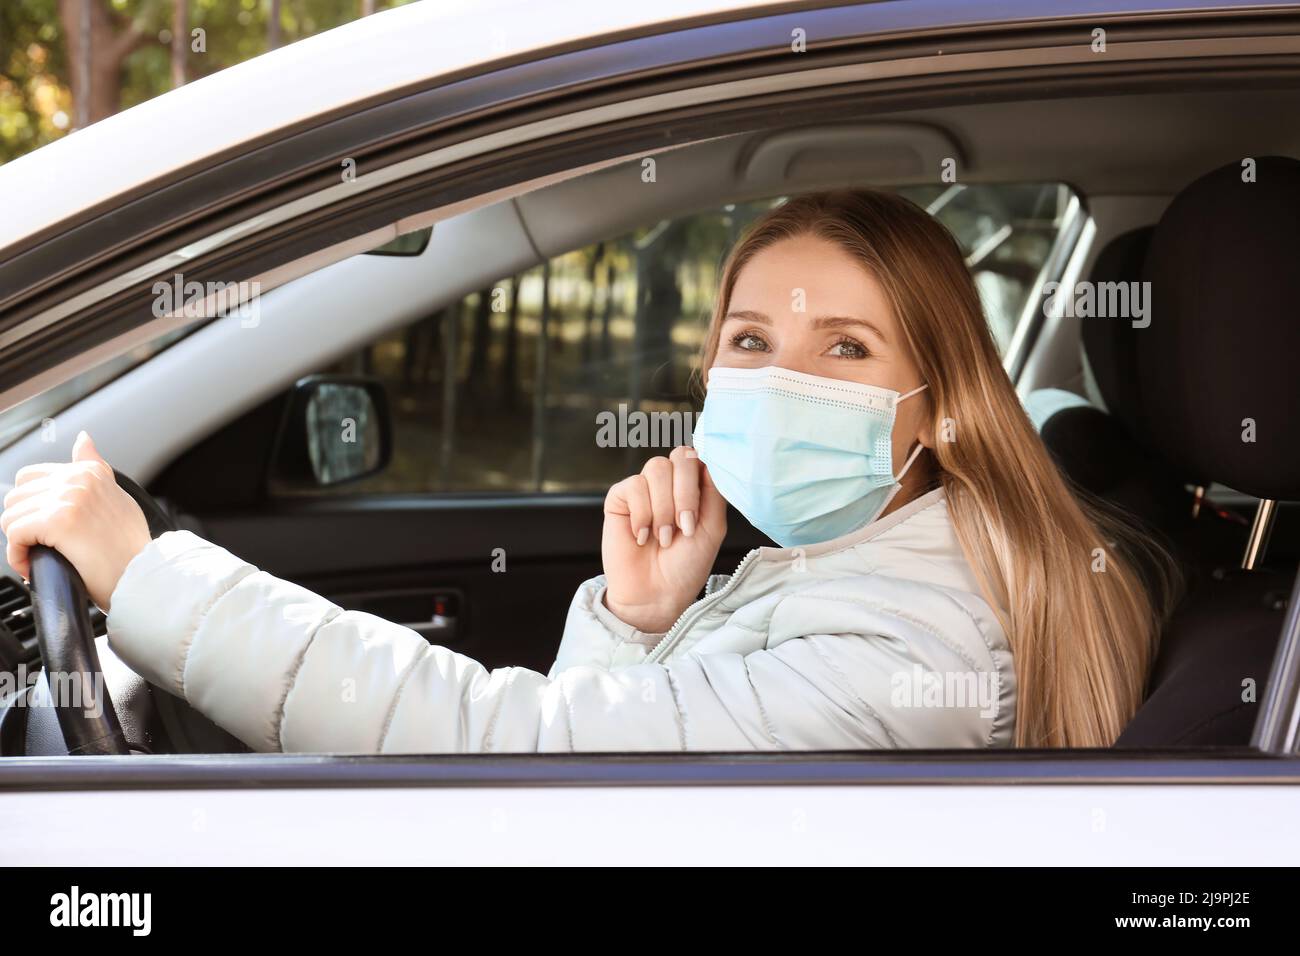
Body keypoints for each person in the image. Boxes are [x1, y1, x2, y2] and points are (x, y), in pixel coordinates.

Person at [0, 190, 1175, 752]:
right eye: (753, 341)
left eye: (847, 349)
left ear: (940, 405)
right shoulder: (868, 567)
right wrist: (637, 616)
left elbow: (510, 752)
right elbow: (593, 780)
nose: (781, 379)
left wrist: (149, 576)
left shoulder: (907, 651)